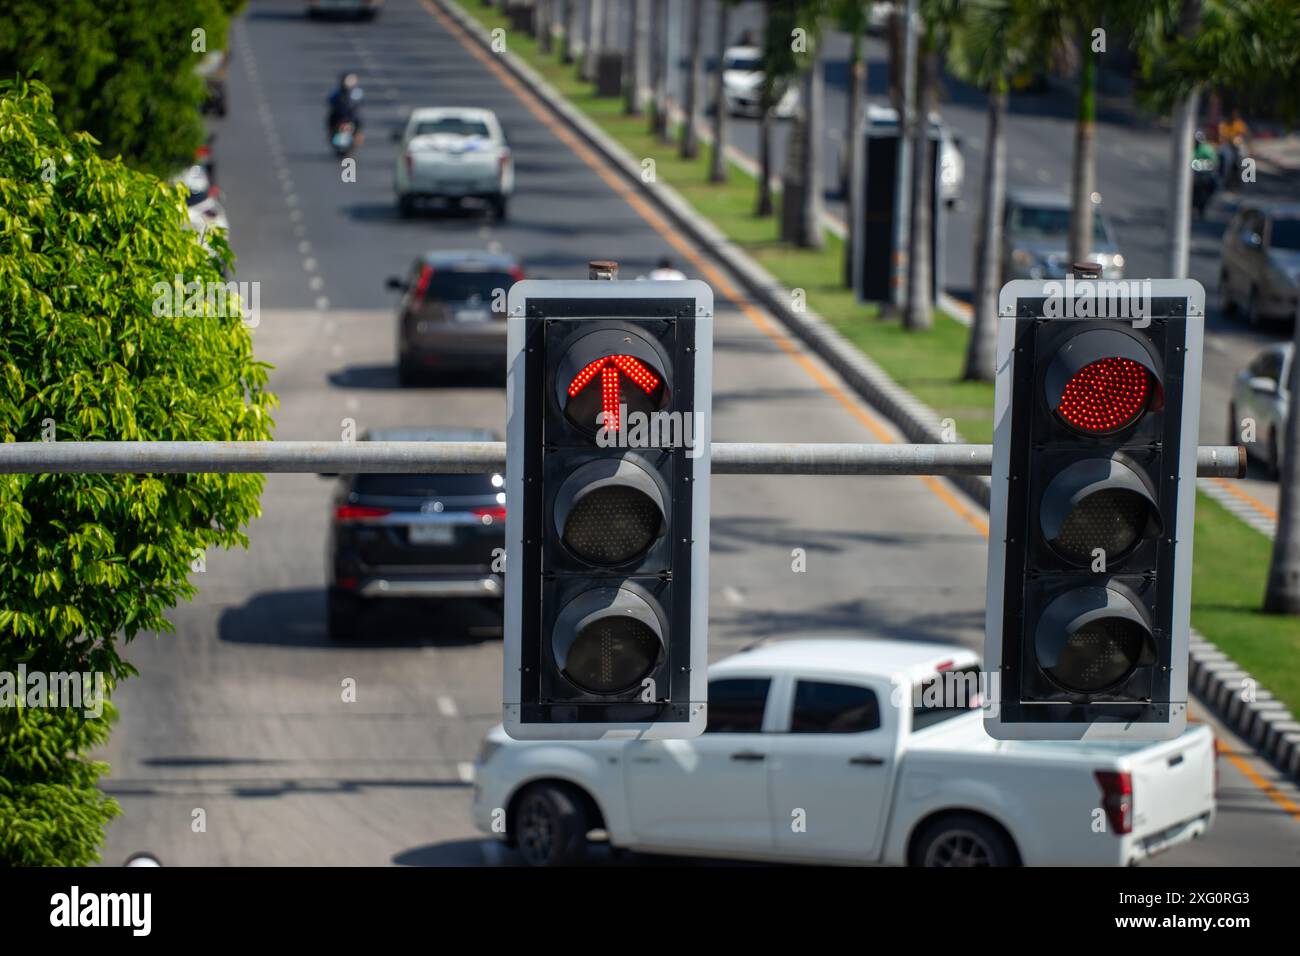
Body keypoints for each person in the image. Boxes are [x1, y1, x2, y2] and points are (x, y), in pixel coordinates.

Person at [327, 72, 364, 139]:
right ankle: (330, 133)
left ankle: (358, 135)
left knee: (359, 120)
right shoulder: (337, 92)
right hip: (339, 115)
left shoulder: (356, 92)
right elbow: (330, 101)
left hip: (351, 116)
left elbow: (359, 103)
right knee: (331, 119)